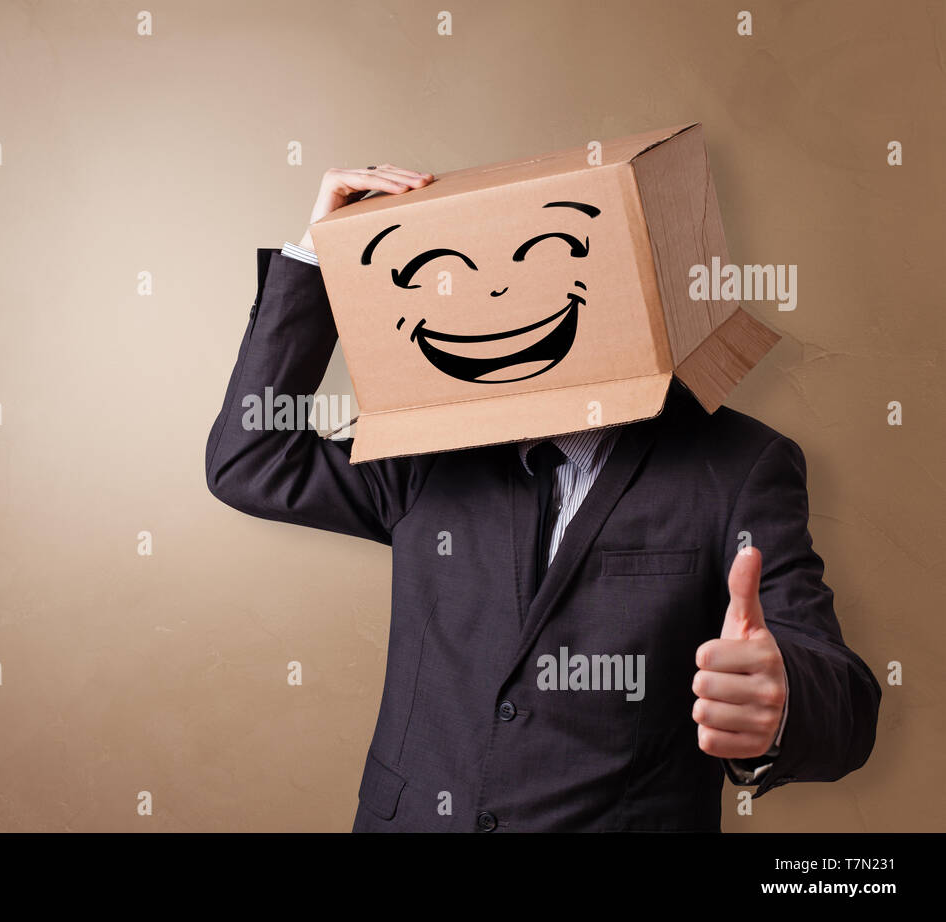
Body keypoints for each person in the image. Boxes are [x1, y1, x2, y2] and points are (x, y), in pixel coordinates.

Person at [204, 164, 880, 832]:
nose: (511, 296)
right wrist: (320, 256)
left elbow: (845, 704)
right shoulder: (430, 447)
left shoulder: (740, 466)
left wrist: (785, 697)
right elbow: (253, 459)